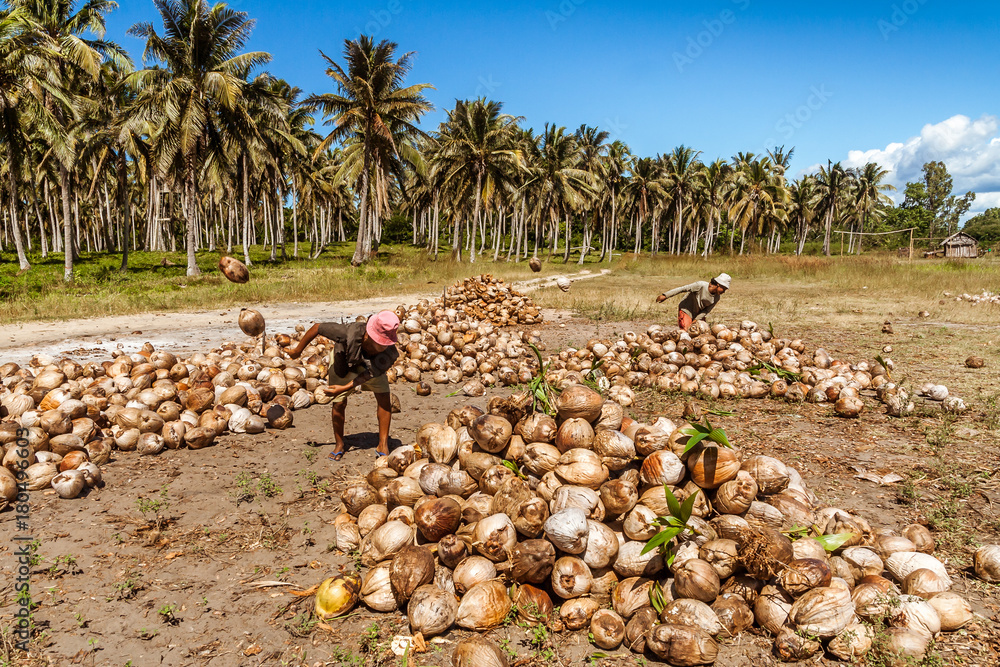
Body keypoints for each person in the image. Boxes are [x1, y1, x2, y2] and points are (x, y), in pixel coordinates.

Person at [285, 310, 400, 460]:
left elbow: (368, 375)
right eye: (381, 343)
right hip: (344, 362)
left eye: (387, 343)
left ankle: (383, 444)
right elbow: (317, 327)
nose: (385, 346)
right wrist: (297, 350)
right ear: (368, 335)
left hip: (370, 369)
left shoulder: (388, 353)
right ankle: (340, 443)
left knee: (384, 399)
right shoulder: (347, 332)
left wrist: (345, 387)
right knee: (338, 404)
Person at [655, 273, 731, 329]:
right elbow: (683, 289)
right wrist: (665, 295)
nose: (724, 291)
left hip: (698, 314)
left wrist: (696, 320)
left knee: (701, 332)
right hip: (686, 309)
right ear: (718, 284)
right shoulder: (701, 285)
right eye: (723, 289)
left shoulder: (717, 297)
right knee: (687, 331)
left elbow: (706, 310)